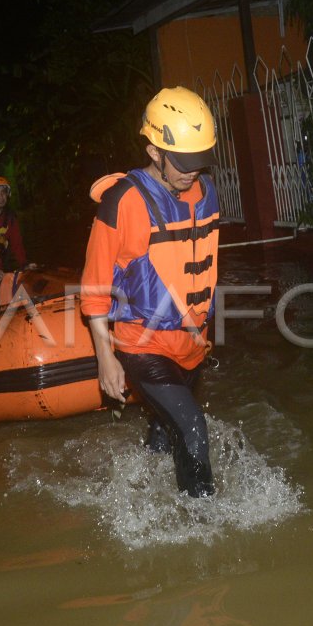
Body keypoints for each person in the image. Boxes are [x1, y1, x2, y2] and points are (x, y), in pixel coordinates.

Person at [80, 86, 220, 498]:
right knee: (193, 428)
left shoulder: (207, 190)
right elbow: (94, 288)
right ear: (154, 151)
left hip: (191, 344)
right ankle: (206, 525)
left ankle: (142, 495)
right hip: (142, 344)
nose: (192, 172)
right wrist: (105, 358)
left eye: (199, 161)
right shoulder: (122, 201)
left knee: (166, 430)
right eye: (183, 163)